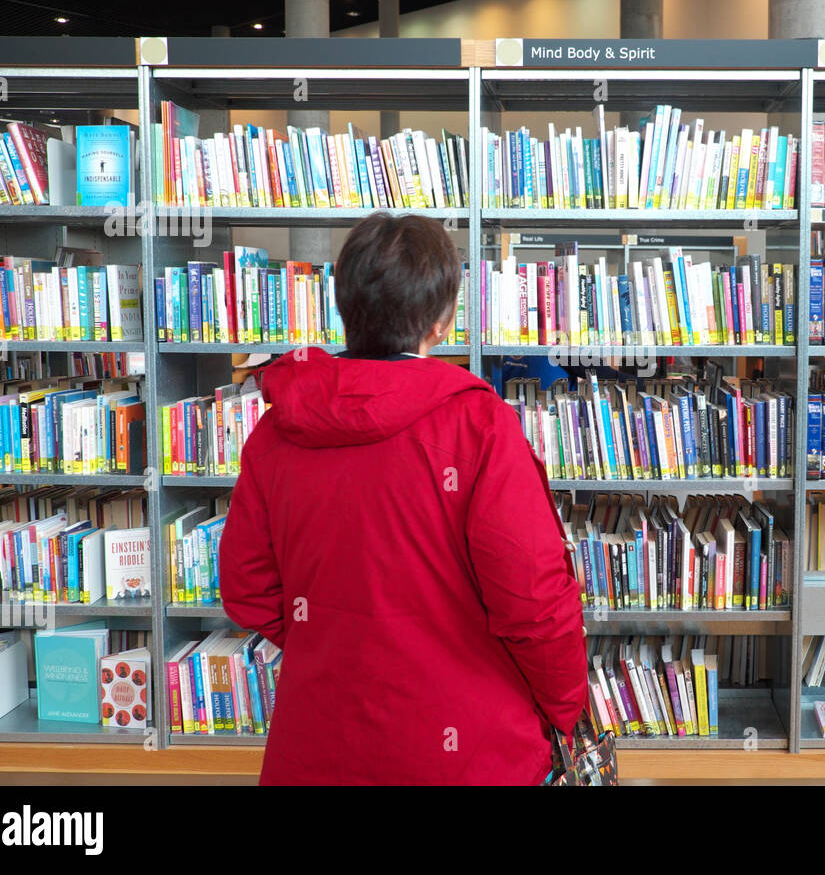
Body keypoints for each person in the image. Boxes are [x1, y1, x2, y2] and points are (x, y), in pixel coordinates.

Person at [220, 212, 588, 785]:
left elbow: (247, 588)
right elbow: (533, 601)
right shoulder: (481, 427)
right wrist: (566, 707)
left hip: (321, 740)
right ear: (442, 321)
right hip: (468, 750)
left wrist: (339, 643)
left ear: (344, 310)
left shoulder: (276, 431)